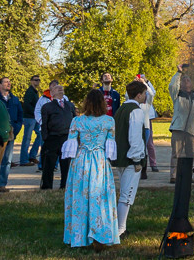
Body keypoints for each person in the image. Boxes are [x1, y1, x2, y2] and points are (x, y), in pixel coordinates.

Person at [63, 88, 118, 249]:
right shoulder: (109, 121)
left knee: (80, 197)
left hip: (81, 162)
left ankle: (80, 235)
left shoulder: (77, 121)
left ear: (86, 102)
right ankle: (100, 235)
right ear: (103, 103)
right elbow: (110, 148)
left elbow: (71, 145)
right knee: (100, 196)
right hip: (99, 161)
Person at [113, 80, 148, 239]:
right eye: (145, 94)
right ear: (139, 95)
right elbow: (135, 137)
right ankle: (120, 229)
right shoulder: (136, 111)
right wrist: (137, 159)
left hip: (119, 157)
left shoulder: (121, 109)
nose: (146, 96)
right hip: (130, 159)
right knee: (127, 195)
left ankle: (121, 226)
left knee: (124, 193)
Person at [168, 64, 194, 183]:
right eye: (183, 80)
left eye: (188, 79)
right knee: (176, 153)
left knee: (190, 154)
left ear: (191, 83)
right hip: (178, 128)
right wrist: (178, 73)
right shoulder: (177, 94)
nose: (185, 81)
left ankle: (187, 175)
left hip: (191, 130)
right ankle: (174, 176)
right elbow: (172, 86)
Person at [41, 81, 76, 190]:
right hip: (52, 138)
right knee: (49, 164)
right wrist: (45, 138)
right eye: (57, 88)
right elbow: (44, 124)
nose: (60, 89)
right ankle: (47, 186)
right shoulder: (47, 106)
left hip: (67, 138)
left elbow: (75, 120)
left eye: (61, 87)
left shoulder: (70, 105)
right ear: (52, 93)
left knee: (66, 164)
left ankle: (65, 186)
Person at [0, 77, 23, 191]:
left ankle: (2, 185)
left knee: (7, 160)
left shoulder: (15, 99)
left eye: (9, 82)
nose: (9, 84)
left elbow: (20, 116)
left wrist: (16, 128)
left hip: (11, 134)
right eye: (6, 82)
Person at [20, 75, 42, 167]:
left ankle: (32, 155)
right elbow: (27, 105)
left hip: (35, 118)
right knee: (27, 138)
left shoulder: (35, 92)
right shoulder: (29, 92)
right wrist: (34, 112)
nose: (37, 81)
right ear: (31, 81)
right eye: (35, 80)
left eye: (38, 80)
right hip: (29, 117)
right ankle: (24, 159)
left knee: (40, 135)